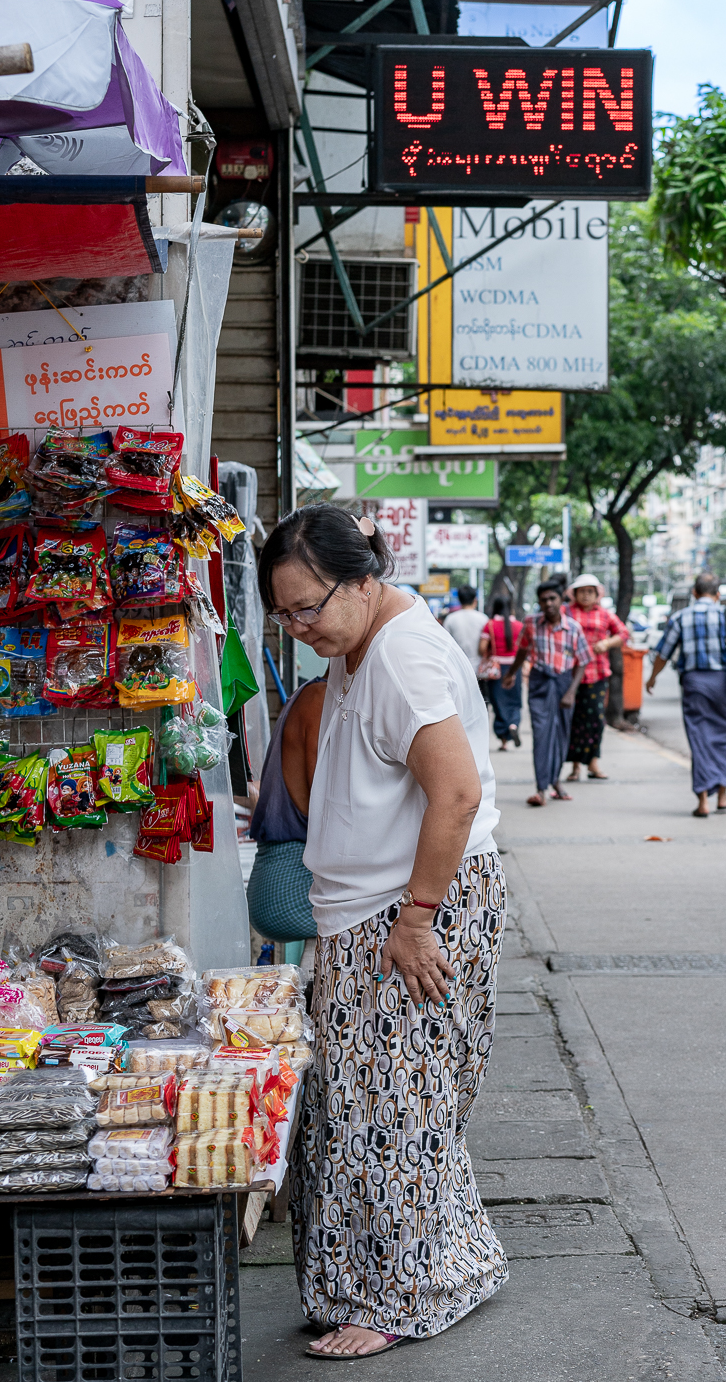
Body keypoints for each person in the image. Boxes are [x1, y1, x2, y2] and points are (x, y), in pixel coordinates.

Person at [257, 503, 507, 1358]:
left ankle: (404, 1295)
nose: (297, 629)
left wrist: (417, 922)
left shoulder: (400, 656)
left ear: (363, 581)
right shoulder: (364, 642)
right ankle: (386, 1277)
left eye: (308, 608)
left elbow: (459, 795)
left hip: (410, 914)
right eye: (282, 614)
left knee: (394, 1110)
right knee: (354, 1108)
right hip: (368, 914)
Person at [646, 572, 726, 818]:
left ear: (694, 593)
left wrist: (652, 677)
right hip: (722, 682)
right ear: (717, 594)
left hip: (694, 683)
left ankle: (703, 801)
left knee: (700, 738)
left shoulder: (681, 617)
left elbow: (664, 652)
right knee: (724, 736)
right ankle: (723, 797)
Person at [244, 678, 326, 942]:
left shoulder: (316, 695)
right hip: (288, 891)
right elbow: (333, 812)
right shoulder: (320, 699)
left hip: (284, 884)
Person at [502, 580, 591, 807]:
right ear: (539, 602)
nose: (548, 603)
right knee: (542, 735)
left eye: (552, 598)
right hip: (540, 682)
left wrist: (571, 691)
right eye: (543, 600)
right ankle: (541, 788)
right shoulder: (531, 623)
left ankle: (555, 781)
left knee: (561, 736)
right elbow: (522, 650)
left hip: (564, 683)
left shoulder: (573, 627)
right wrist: (511, 674)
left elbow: (583, 661)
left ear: (561, 600)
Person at [563, 574, 629, 782]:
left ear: (596, 594)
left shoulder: (605, 614)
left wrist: (607, 644)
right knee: (574, 720)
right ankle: (575, 766)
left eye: (590, 591)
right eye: (582, 591)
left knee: (595, 720)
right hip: (571, 675)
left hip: (597, 674)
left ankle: (592, 762)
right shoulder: (567, 613)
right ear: (574, 594)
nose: (586, 595)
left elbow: (623, 633)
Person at [479, 596, 523, 751]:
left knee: (499, 702)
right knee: (515, 700)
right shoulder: (519, 625)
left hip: (497, 670)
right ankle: (513, 724)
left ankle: (504, 740)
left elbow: (482, 648)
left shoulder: (489, 625)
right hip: (515, 668)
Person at [443, 583, 488, 672]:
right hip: (480, 668)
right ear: (475, 600)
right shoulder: (483, 619)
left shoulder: (450, 619)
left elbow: (446, 644)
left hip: (458, 667)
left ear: (459, 599)